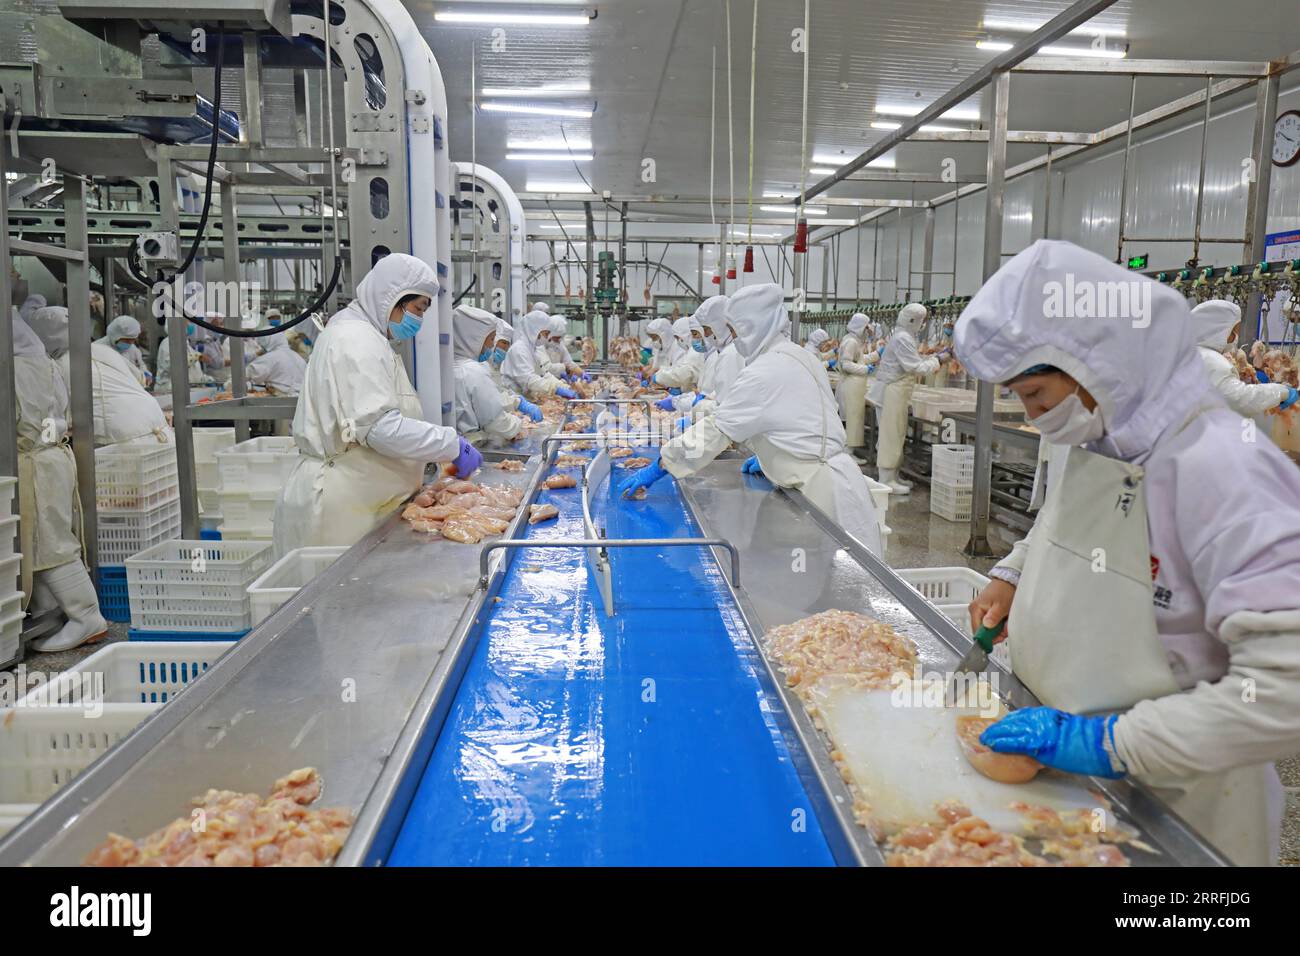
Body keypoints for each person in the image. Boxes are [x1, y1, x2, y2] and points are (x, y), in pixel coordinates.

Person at [960, 240, 1300, 867]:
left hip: (1179, 810)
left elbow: (1286, 685)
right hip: (1070, 794)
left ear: (1102, 365)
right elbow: (1062, 526)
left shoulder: (1225, 468)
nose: (1032, 418)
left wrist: (1108, 743)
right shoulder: (1103, 433)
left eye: (1036, 395)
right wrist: (1014, 575)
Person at [617, 283, 883, 553]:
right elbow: (808, 419)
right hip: (837, 480)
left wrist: (663, 464)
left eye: (735, 331)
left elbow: (716, 430)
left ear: (753, 327)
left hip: (818, 493)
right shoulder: (800, 355)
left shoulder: (765, 370)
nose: (733, 338)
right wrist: (775, 453)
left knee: (828, 580)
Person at [273, 253, 482, 552]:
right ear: (391, 298)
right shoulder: (355, 340)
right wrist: (450, 445)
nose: (419, 320)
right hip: (340, 509)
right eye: (417, 309)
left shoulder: (370, 339)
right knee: (335, 597)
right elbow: (380, 429)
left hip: (360, 501)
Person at [10, 315, 108, 654]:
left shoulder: (16, 368)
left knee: (50, 544)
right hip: (52, 458)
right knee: (42, 540)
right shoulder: (43, 361)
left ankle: (87, 616)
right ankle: (51, 613)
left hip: (36, 464)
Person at [29, 306, 170, 447]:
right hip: (156, 424)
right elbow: (139, 379)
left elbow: (58, 414)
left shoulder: (57, 366)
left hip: (121, 439)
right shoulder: (102, 350)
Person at [868, 302, 948, 494]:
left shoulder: (904, 337)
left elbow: (914, 361)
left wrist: (932, 358)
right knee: (891, 435)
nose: (923, 325)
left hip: (897, 391)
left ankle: (893, 475)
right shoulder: (903, 338)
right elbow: (915, 367)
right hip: (892, 392)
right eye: (922, 321)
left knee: (897, 434)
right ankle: (886, 479)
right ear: (913, 320)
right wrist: (938, 360)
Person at [1189, 299, 1297, 418]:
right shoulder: (1212, 361)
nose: (1236, 337)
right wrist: (1282, 392)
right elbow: (1240, 398)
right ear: (1218, 330)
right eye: (1233, 331)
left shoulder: (1189, 355)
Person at [453, 305, 525, 443]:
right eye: (492, 339)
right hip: (473, 444)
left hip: (459, 445)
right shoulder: (473, 370)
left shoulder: (451, 365)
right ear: (474, 338)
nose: (492, 346)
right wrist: (520, 424)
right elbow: (495, 421)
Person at [501, 310, 577, 401]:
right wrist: (555, 389)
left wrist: (564, 387)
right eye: (546, 334)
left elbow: (544, 374)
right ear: (535, 331)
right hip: (513, 399)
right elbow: (530, 380)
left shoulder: (533, 350)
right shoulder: (519, 350)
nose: (547, 337)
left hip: (524, 398)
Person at [835, 312, 874, 459]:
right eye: (866, 328)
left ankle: (848, 451)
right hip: (850, 386)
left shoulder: (854, 340)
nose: (868, 331)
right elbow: (846, 364)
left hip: (853, 387)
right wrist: (865, 370)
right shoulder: (851, 342)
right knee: (852, 420)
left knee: (854, 420)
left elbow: (860, 359)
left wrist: (877, 354)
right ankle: (848, 453)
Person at [652, 316, 705, 394]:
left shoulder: (695, 351)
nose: (678, 342)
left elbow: (686, 373)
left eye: (678, 338)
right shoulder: (690, 350)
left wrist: (660, 376)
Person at [245, 331, 307, 396]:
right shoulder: (297, 356)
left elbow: (248, 373)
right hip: (301, 398)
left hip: (284, 398)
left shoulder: (271, 357)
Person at [98, 315, 152, 388]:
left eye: (133, 339)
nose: (130, 343)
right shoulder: (98, 348)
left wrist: (145, 373)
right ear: (115, 336)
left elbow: (140, 365)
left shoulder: (132, 348)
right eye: (126, 340)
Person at [154, 320, 205, 390]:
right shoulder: (168, 342)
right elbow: (174, 365)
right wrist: (195, 357)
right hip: (169, 389)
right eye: (186, 322)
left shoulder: (185, 342)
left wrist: (203, 379)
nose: (189, 324)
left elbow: (193, 368)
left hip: (185, 388)